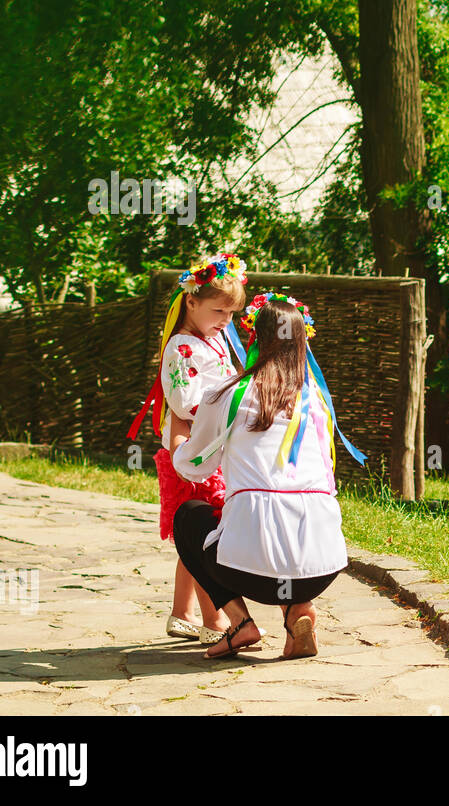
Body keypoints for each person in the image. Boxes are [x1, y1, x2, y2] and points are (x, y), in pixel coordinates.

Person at [171, 293, 359, 660]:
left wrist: (179, 437)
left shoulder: (228, 394)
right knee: (290, 519)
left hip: (248, 571)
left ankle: (241, 624)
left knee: (190, 517)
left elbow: (194, 467)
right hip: (323, 567)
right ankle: (297, 609)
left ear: (254, 340)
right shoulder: (316, 402)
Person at [127, 253, 254, 645]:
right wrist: (233, 407)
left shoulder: (210, 339)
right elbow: (185, 404)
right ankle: (213, 619)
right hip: (190, 455)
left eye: (231, 314)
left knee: (192, 532)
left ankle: (181, 614)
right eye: (219, 311)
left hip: (208, 449)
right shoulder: (183, 346)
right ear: (192, 302)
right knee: (203, 533)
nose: (225, 321)